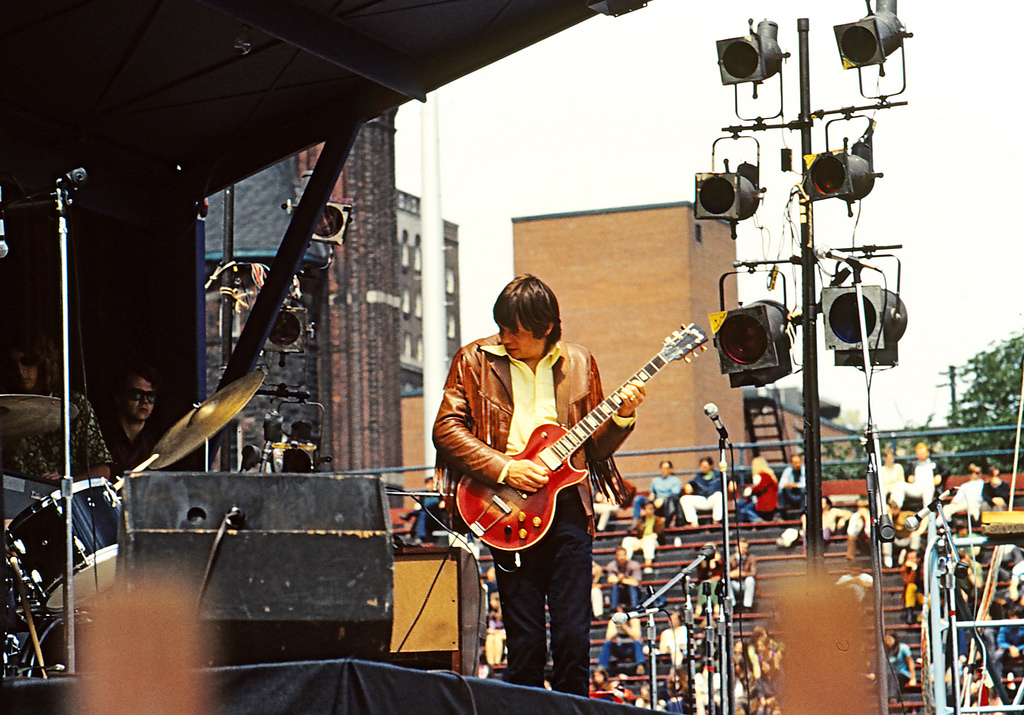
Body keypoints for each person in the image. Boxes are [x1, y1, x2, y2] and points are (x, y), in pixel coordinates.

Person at [432, 275, 645, 696]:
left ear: (545, 327)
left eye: (514, 330)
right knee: (525, 641)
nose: (504, 338)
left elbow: (593, 451)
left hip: (567, 509)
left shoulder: (580, 362)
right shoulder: (473, 360)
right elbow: (446, 429)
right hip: (506, 506)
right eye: (501, 327)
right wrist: (506, 469)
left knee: (573, 635)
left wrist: (623, 417)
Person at [3, 335, 112, 482]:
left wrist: (64, 483)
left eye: (27, 362)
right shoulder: (5, 411)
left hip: (68, 494)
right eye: (13, 364)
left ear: (44, 362)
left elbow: (102, 472)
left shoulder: (75, 404)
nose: (20, 370)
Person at [99, 364, 163, 478]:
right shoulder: (101, 438)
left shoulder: (155, 443)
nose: (145, 401)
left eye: (150, 396)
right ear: (119, 397)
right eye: (136, 394)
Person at [890, 442, 949, 509]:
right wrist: (910, 476)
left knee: (928, 485)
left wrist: (940, 476)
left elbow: (947, 471)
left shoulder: (935, 463)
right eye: (919, 453)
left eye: (923, 453)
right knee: (899, 485)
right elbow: (907, 474)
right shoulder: (913, 464)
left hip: (930, 487)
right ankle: (896, 508)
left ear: (927, 453)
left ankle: (926, 511)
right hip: (916, 488)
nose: (921, 455)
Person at [681, 456, 728, 527]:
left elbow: (730, 480)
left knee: (719, 495)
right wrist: (688, 486)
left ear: (711, 466)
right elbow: (691, 484)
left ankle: (716, 521)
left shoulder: (718, 475)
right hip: (702, 499)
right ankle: (693, 522)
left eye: (705, 466)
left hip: (713, 499)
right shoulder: (698, 477)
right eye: (702, 466)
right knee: (684, 499)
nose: (703, 468)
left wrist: (732, 483)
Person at [598, 606, 646, 674]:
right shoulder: (613, 621)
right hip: (619, 647)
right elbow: (608, 637)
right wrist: (618, 628)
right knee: (607, 644)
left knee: (638, 643)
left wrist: (625, 627)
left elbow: (636, 637)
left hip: (631, 649)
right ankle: (602, 667)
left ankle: (640, 665)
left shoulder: (634, 620)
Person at [621, 499, 664, 572]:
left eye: (650, 509)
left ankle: (648, 566)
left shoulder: (659, 520)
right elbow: (639, 534)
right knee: (627, 540)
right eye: (646, 509)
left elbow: (656, 534)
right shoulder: (641, 521)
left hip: (653, 541)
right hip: (642, 540)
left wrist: (643, 540)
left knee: (648, 540)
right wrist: (638, 541)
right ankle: (626, 563)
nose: (648, 511)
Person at [649, 459, 683, 527]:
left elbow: (675, 494)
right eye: (662, 468)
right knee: (638, 499)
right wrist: (651, 500)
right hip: (656, 503)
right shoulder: (655, 481)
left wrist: (663, 499)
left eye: (666, 468)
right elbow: (652, 493)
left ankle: (666, 522)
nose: (664, 470)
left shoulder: (675, 480)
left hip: (668, 503)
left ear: (670, 469)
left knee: (671, 500)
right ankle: (637, 522)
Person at [744, 456, 778, 522]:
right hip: (764, 501)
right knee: (741, 504)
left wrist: (750, 491)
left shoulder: (764, 475)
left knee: (745, 509)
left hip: (765, 502)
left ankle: (757, 520)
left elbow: (761, 487)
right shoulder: (768, 475)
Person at [884, 631, 916, 697]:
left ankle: (892, 697)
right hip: (889, 675)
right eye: (886, 640)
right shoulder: (884, 650)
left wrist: (913, 678)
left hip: (902, 674)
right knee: (890, 676)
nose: (888, 642)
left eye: (890, 640)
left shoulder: (903, 647)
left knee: (893, 676)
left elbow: (910, 662)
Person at [730, 538, 757, 611]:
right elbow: (725, 573)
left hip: (745, 583)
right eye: (740, 547)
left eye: (744, 548)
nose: (742, 550)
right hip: (735, 584)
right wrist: (732, 574)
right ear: (736, 547)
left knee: (750, 580)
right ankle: (732, 605)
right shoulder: (730, 558)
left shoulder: (751, 558)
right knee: (725, 581)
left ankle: (747, 606)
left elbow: (753, 573)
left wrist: (742, 574)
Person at [777, 453, 805, 517]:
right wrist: (787, 485)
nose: (797, 464)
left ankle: (803, 512)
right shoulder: (788, 470)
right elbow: (781, 484)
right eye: (795, 463)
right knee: (782, 491)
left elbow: (805, 484)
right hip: (791, 494)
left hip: (802, 494)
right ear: (791, 463)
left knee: (804, 490)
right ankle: (782, 513)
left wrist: (794, 485)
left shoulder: (805, 470)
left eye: (799, 462)